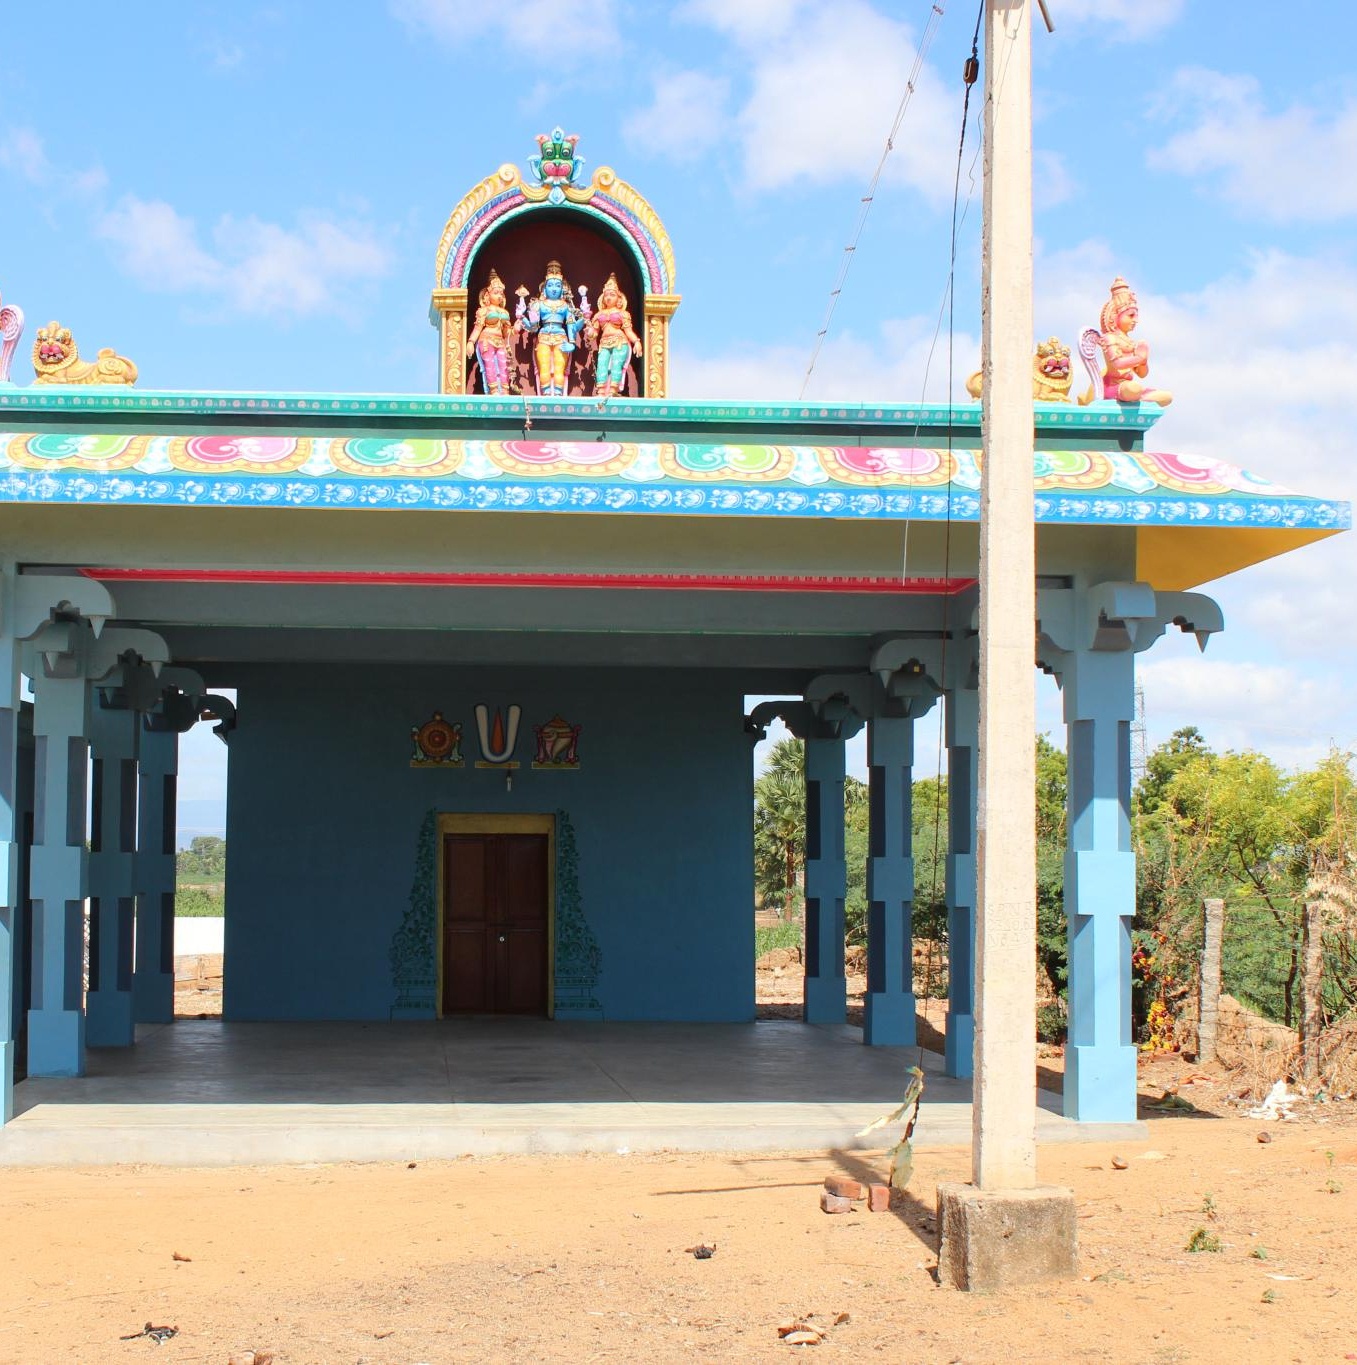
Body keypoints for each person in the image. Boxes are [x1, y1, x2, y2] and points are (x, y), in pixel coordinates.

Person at [467, 270, 514, 395]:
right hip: (486, 340)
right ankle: (493, 391)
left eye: (501, 293)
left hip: (500, 341)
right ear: (487, 295)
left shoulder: (505, 313)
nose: (499, 296)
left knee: (504, 366)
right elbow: (478, 328)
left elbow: (506, 333)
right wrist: (471, 342)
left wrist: (516, 328)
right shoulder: (484, 310)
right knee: (490, 365)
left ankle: (505, 391)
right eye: (496, 293)